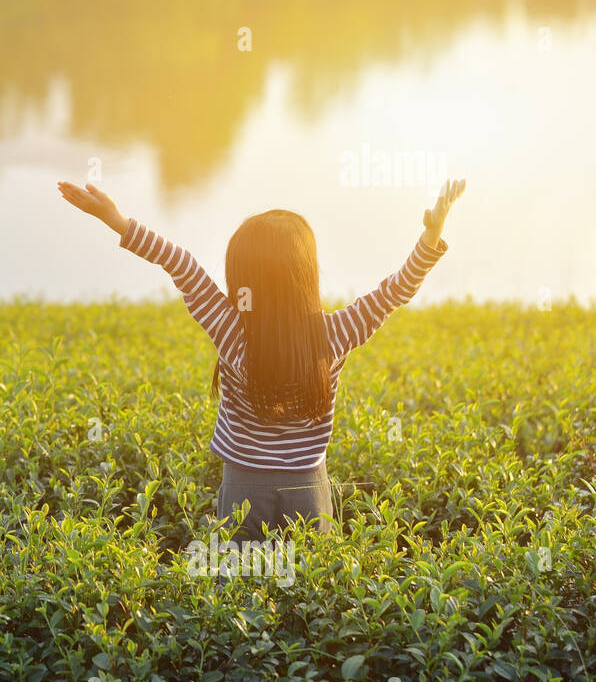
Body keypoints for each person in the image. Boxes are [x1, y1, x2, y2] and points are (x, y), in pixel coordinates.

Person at [57, 177, 466, 540]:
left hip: (243, 489)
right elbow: (396, 291)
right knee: (311, 595)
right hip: (308, 489)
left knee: (238, 596)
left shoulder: (230, 329)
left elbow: (178, 262)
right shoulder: (334, 334)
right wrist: (431, 237)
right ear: (305, 275)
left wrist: (115, 219)